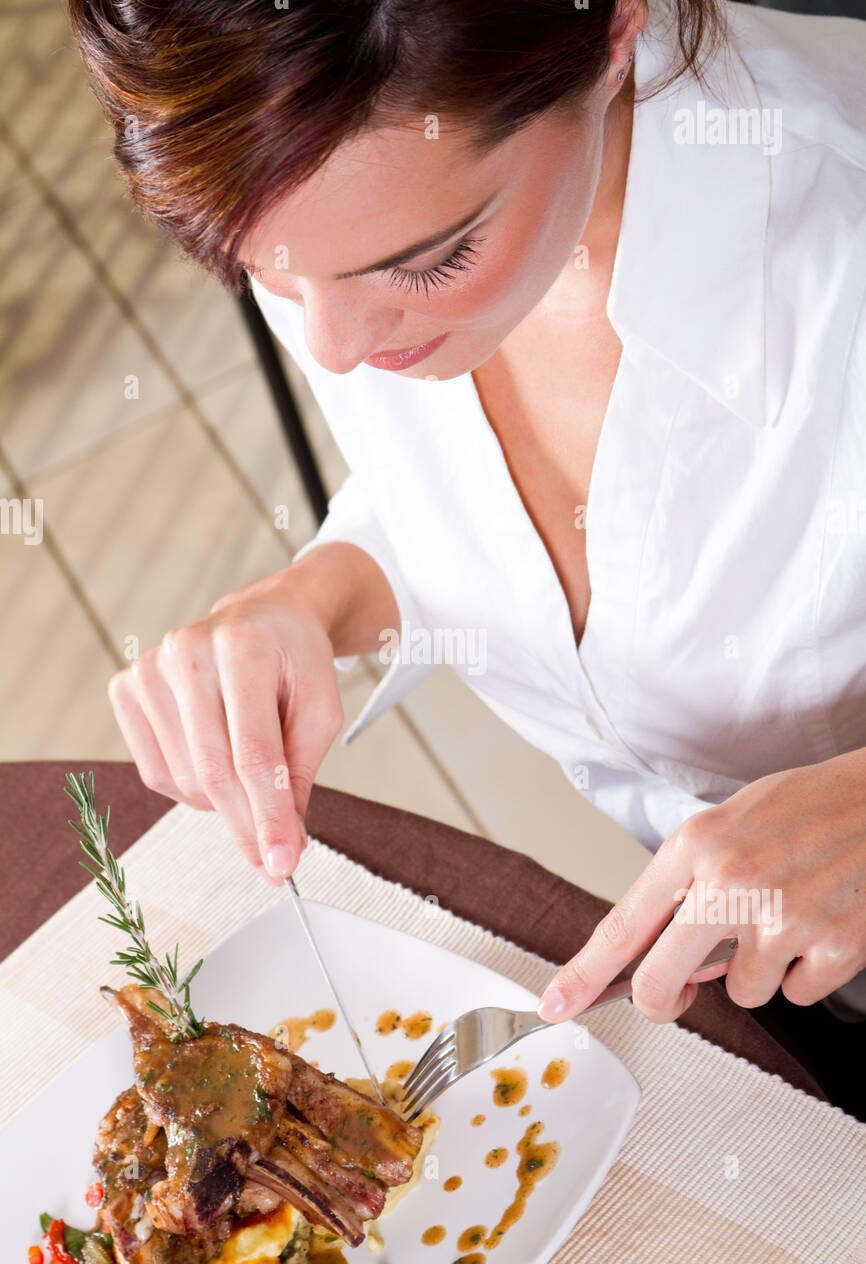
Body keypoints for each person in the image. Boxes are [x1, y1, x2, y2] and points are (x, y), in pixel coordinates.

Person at [68, 0, 866, 1029]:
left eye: (427, 262)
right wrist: (310, 597)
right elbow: (502, 510)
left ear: (615, 26)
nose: (336, 347)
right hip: (756, 993)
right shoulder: (343, 228)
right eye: (262, 269)